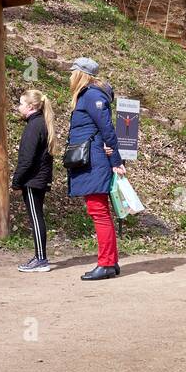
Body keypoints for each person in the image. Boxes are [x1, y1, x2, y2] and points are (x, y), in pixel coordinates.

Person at [66, 58, 126, 280]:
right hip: (93, 159)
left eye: (73, 72)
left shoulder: (91, 95)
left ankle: (107, 263)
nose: (70, 76)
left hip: (95, 161)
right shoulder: (88, 95)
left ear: (81, 74)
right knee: (98, 211)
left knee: (99, 212)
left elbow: (108, 129)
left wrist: (116, 161)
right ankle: (111, 262)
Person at [12, 89, 56, 273]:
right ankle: (40, 256)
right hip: (38, 177)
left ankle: (41, 258)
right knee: (37, 217)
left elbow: (26, 159)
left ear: (30, 106)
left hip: (32, 179)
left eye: (21, 103)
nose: (18, 107)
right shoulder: (40, 123)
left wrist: (16, 181)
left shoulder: (34, 126)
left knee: (36, 218)